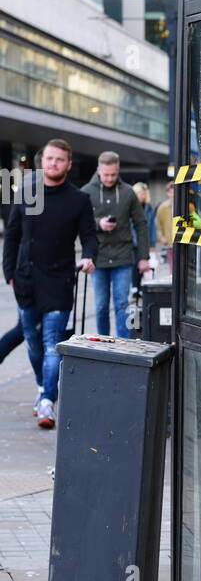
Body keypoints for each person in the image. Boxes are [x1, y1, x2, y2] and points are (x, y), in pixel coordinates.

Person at [2, 138, 97, 428]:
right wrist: (8, 272)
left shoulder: (79, 199)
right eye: (49, 158)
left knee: (52, 342)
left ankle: (47, 401)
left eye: (59, 159)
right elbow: (13, 235)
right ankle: (44, 388)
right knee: (32, 343)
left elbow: (89, 236)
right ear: (42, 161)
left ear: (68, 164)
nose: (53, 163)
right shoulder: (27, 193)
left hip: (59, 279)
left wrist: (90, 257)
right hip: (25, 280)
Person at [84, 152, 150, 338]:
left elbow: (141, 223)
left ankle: (123, 345)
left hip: (123, 256)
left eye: (113, 174)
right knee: (101, 305)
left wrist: (143, 257)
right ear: (98, 170)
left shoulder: (128, 192)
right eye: (106, 174)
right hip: (98, 257)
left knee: (122, 303)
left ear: (118, 170)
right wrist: (99, 224)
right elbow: (80, 223)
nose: (110, 178)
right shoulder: (87, 192)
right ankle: (103, 343)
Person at [155, 179, 175, 268]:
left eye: (175, 192)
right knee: (173, 269)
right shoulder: (163, 208)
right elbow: (158, 225)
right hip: (169, 244)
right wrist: (161, 238)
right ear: (168, 193)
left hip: (183, 242)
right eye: (171, 192)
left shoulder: (186, 205)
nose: (173, 195)